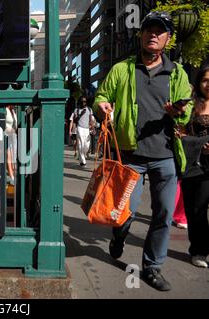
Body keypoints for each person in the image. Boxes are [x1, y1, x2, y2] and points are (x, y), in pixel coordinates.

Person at [93, 11, 193, 291]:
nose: (153, 34)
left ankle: (152, 267)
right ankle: (118, 236)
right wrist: (101, 106)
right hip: (130, 157)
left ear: (168, 38)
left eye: (159, 31)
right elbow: (101, 96)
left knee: (163, 214)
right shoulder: (122, 69)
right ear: (141, 34)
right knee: (125, 213)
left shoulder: (178, 73)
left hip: (165, 157)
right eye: (148, 29)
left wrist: (179, 113)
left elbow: (186, 117)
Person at [180, 64, 209, 268]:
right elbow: (180, 132)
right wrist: (197, 143)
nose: (208, 84)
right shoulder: (192, 105)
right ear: (199, 82)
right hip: (195, 164)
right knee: (196, 209)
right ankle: (198, 250)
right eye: (205, 80)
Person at [70, 96, 94, 167]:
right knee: (81, 144)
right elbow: (74, 120)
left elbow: (91, 120)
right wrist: (72, 130)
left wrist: (93, 128)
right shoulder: (76, 110)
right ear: (80, 102)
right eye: (82, 101)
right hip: (79, 128)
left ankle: (82, 156)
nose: (84, 103)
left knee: (86, 145)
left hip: (87, 129)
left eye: (85, 101)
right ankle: (83, 162)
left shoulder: (89, 109)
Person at [5, 105, 18, 185]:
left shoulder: (13, 111)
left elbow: (15, 125)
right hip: (6, 135)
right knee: (9, 156)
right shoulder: (5, 110)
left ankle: (12, 176)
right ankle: (12, 177)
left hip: (13, 136)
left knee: (13, 157)